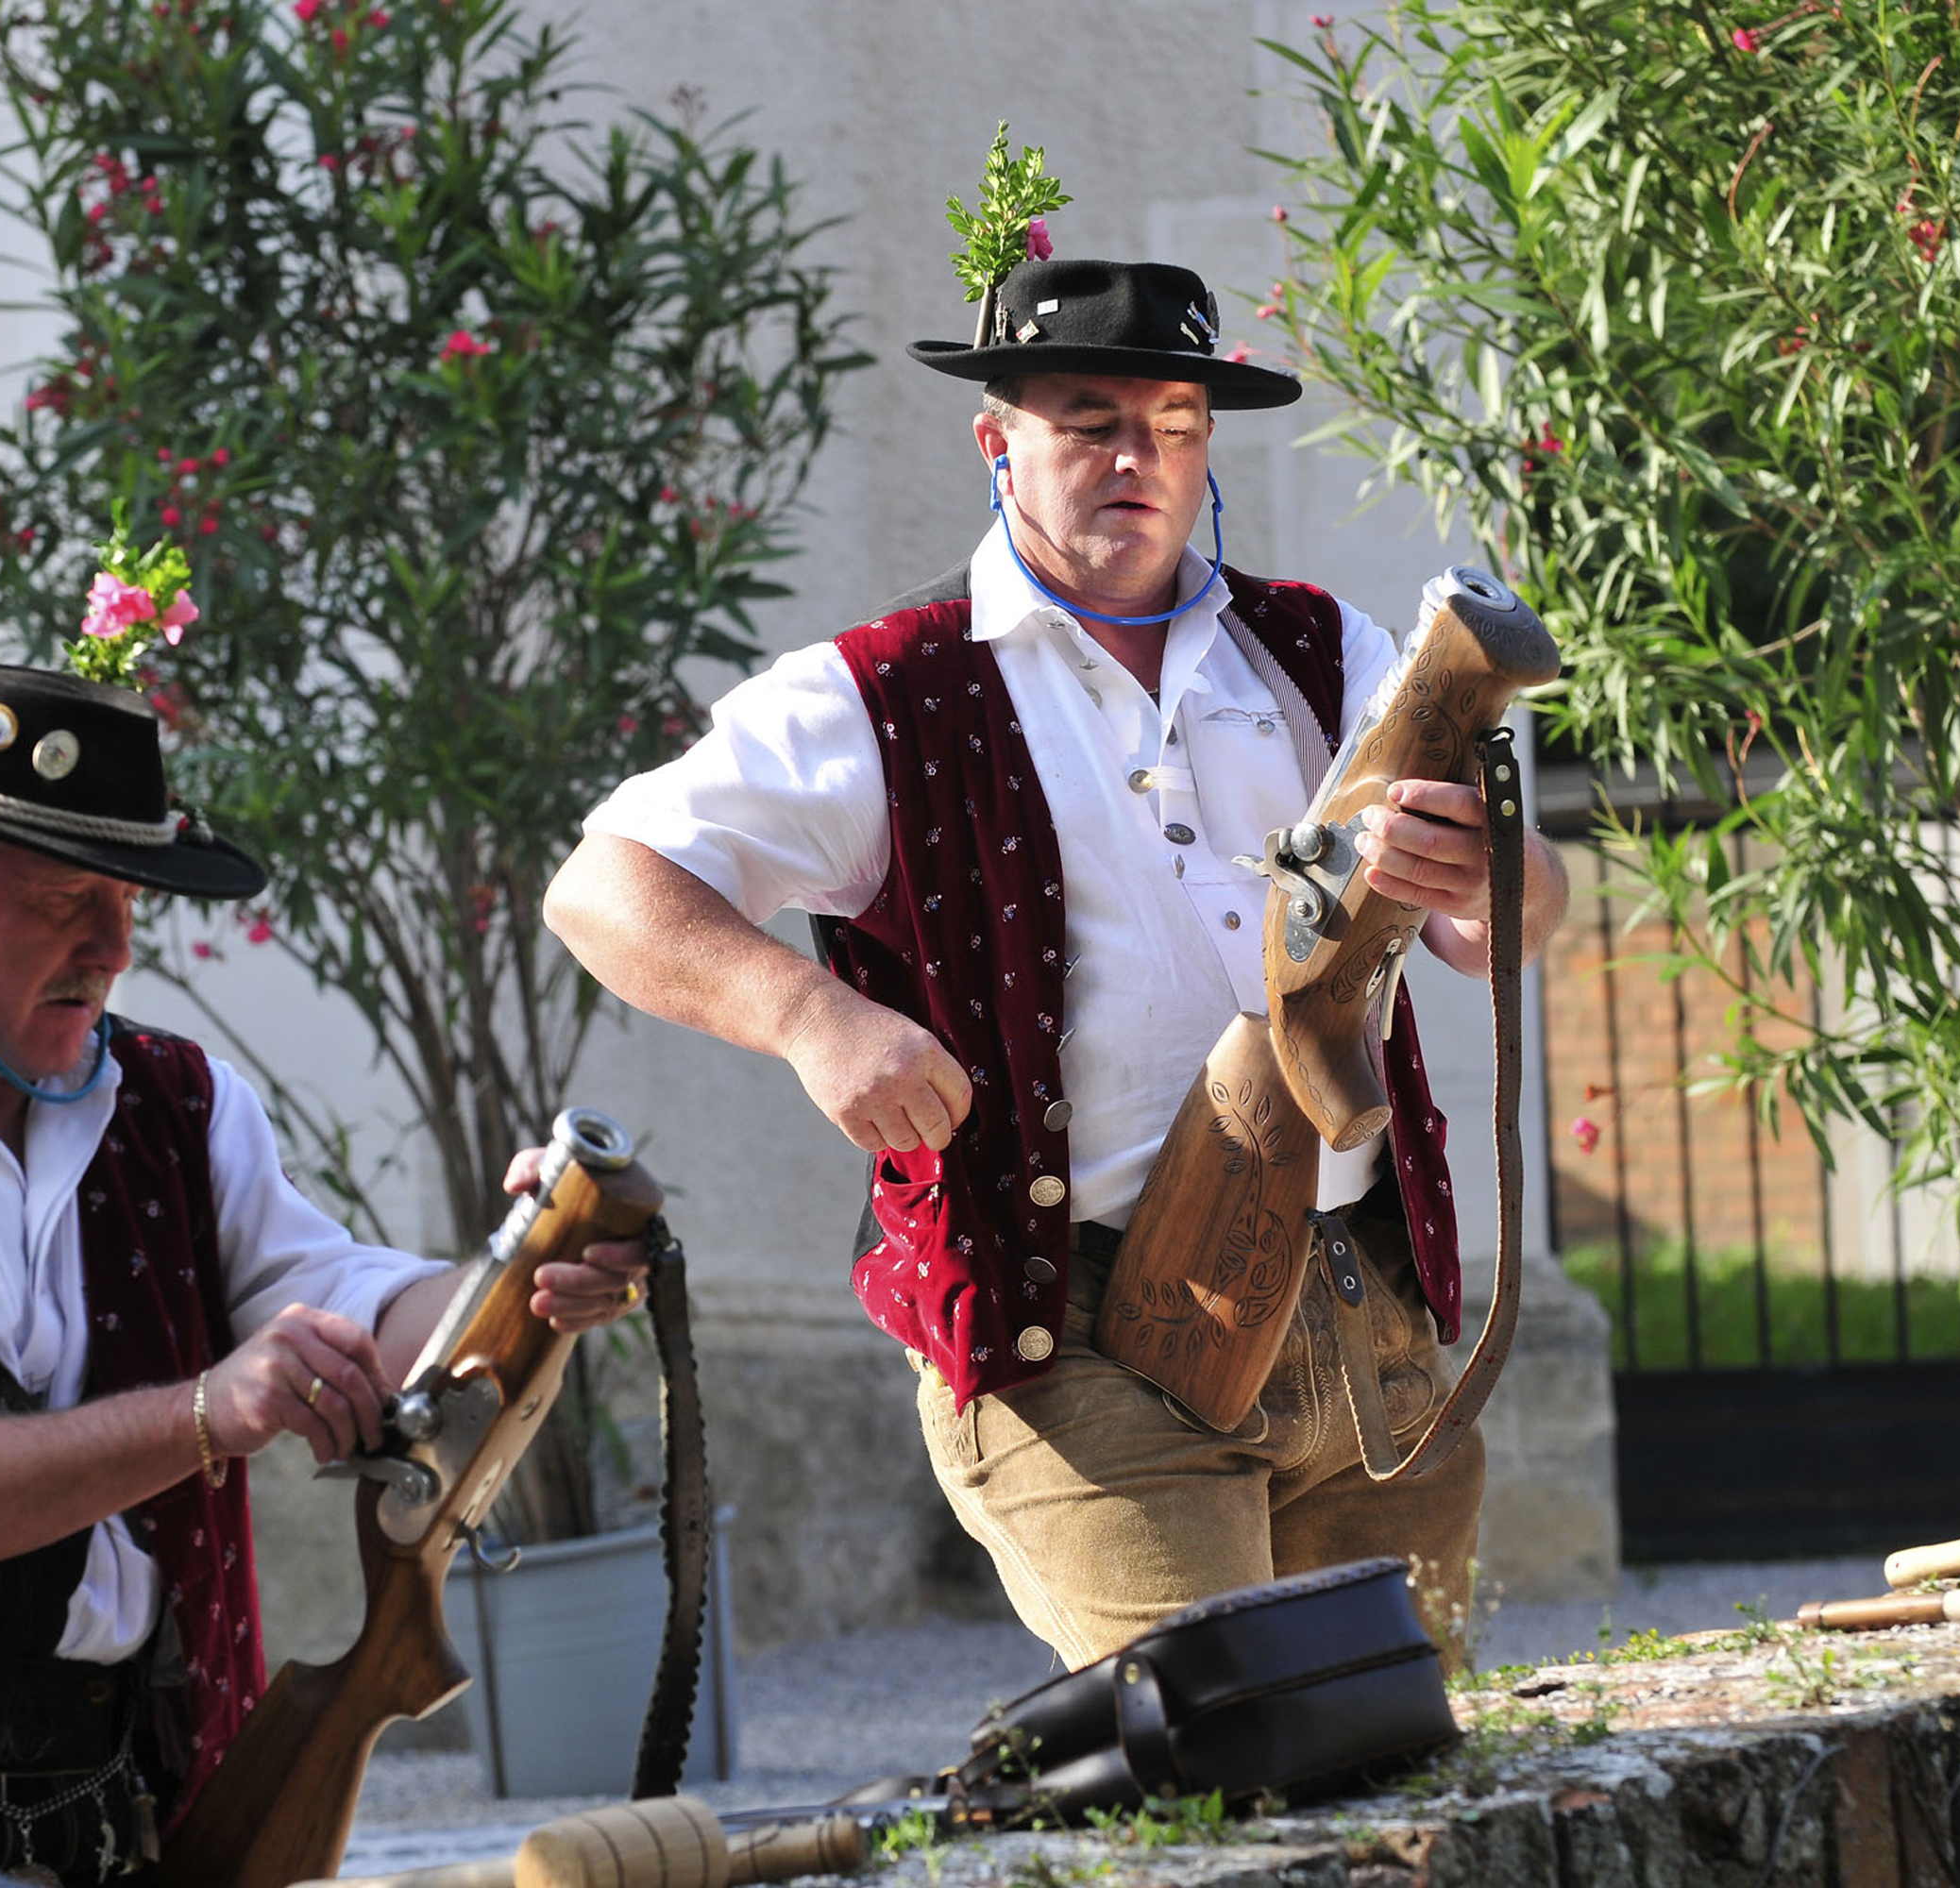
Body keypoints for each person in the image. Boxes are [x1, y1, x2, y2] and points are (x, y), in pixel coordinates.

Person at [546, 254, 1567, 1672]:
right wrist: (811, 1016)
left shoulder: (1324, 649)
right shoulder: (884, 691)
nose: (1138, 456)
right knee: (1229, 1745)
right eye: (1091, 422)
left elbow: (1500, 924)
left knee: (1410, 1754)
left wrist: (1493, 878)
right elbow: (604, 886)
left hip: (1361, 1316)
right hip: (1072, 1332)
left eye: (1176, 424)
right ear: (998, 439)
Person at [0, 651, 648, 1888]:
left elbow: (349, 1309)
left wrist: (528, 1269)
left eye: (130, 899)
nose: (114, 946)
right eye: (66, 900)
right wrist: (209, 1413)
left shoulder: (181, 1104)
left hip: (136, 1813)